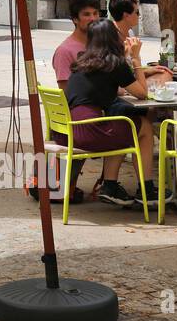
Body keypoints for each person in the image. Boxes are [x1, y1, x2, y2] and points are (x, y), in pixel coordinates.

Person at [60, 18, 155, 207]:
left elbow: (107, 86)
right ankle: (147, 190)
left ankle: (110, 186)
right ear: (113, 38)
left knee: (122, 123)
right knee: (143, 127)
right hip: (90, 132)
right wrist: (135, 58)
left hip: (69, 132)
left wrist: (124, 58)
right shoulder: (114, 63)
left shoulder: (82, 60)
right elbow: (142, 93)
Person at [107, 0, 174, 82]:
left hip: (131, 77)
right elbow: (115, 70)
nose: (139, 16)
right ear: (126, 15)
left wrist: (148, 70)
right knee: (163, 78)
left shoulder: (130, 32)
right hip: (120, 82)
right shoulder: (110, 34)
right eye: (137, 12)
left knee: (164, 73)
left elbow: (133, 70)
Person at [51, 0, 102, 92]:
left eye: (95, 13)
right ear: (75, 19)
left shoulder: (100, 43)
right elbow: (67, 92)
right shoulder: (64, 51)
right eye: (86, 14)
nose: (93, 18)